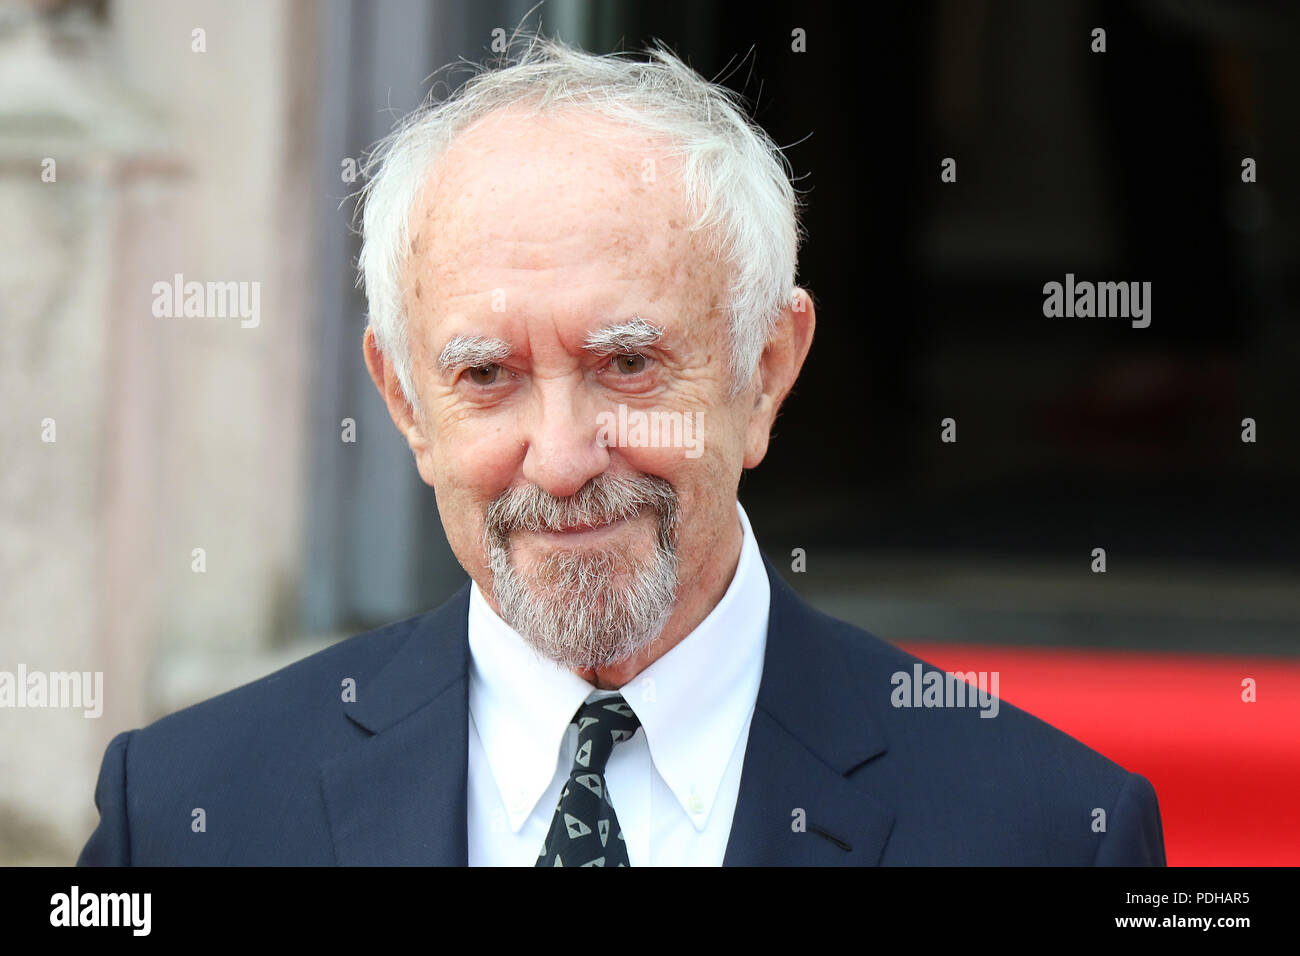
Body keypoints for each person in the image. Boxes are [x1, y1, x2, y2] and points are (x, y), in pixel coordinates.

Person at [78, 34, 1165, 866]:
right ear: (404, 402)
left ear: (767, 371)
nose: (559, 458)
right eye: (486, 375)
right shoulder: (183, 813)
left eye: (629, 364)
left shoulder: (1048, 833)